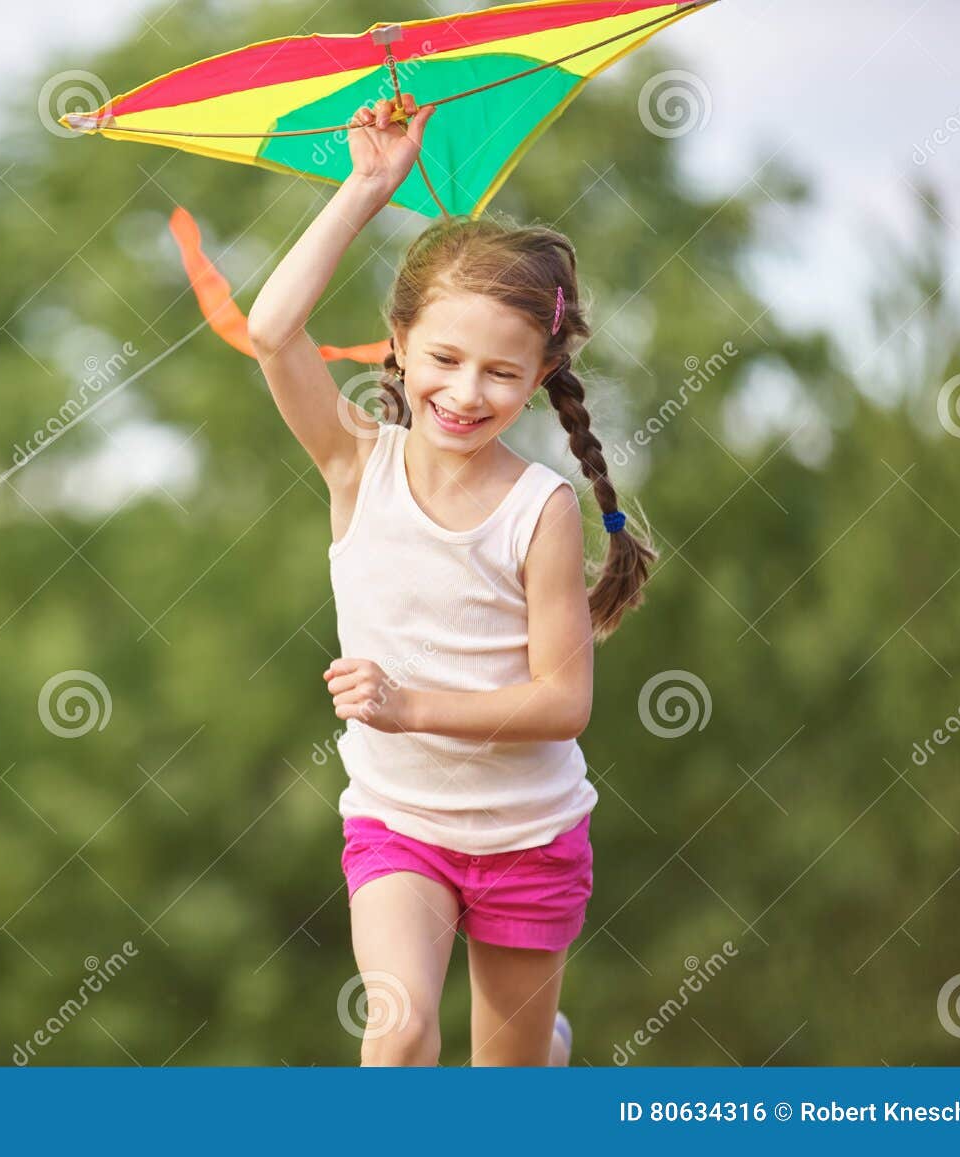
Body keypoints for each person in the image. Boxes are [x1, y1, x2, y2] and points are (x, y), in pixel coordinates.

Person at [245, 94, 656, 1066]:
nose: (466, 393)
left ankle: (540, 1052)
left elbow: (562, 702)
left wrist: (406, 702)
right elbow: (269, 331)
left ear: (544, 368)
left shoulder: (540, 510)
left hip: (529, 836)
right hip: (399, 825)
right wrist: (365, 186)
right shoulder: (356, 462)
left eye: (501, 373)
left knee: (500, 1086)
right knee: (397, 1028)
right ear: (396, 340)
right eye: (443, 358)